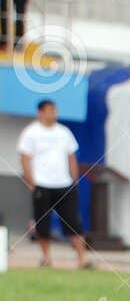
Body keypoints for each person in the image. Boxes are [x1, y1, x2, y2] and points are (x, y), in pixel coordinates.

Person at [17, 98, 90, 269]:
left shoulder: (64, 132)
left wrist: (74, 179)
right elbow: (25, 158)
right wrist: (31, 181)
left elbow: (71, 156)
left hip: (64, 183)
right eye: (49, 110)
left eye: (55, 110)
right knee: (43, 223)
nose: (53, 113)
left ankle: (82, 258)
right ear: (40, 112)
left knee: (74, 222)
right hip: (42, 183)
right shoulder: (31, 133)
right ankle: (46, 258)